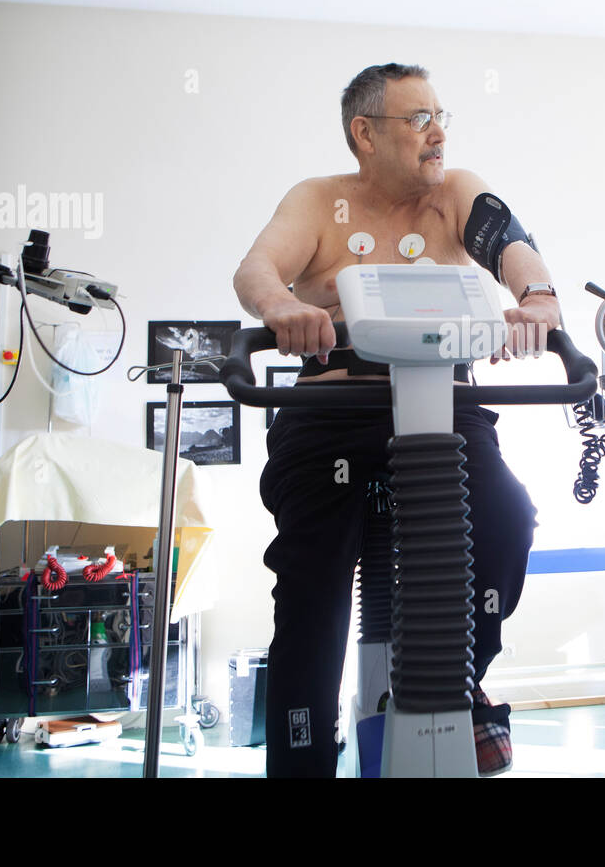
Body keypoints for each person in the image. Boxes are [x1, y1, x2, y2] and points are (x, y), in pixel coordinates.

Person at [233, 63, 561, 777]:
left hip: (443, 408)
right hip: (330, 410)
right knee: (313, 589)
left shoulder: (453, 195)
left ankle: (458, 681)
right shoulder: (320, 201)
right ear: (365, 133)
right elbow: (256, 268)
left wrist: (536, 298)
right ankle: (303, 756)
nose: (437, 130)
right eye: (418, 118)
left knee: (508, 519)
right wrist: (281, 307)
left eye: (441, 115)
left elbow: (511, 242)